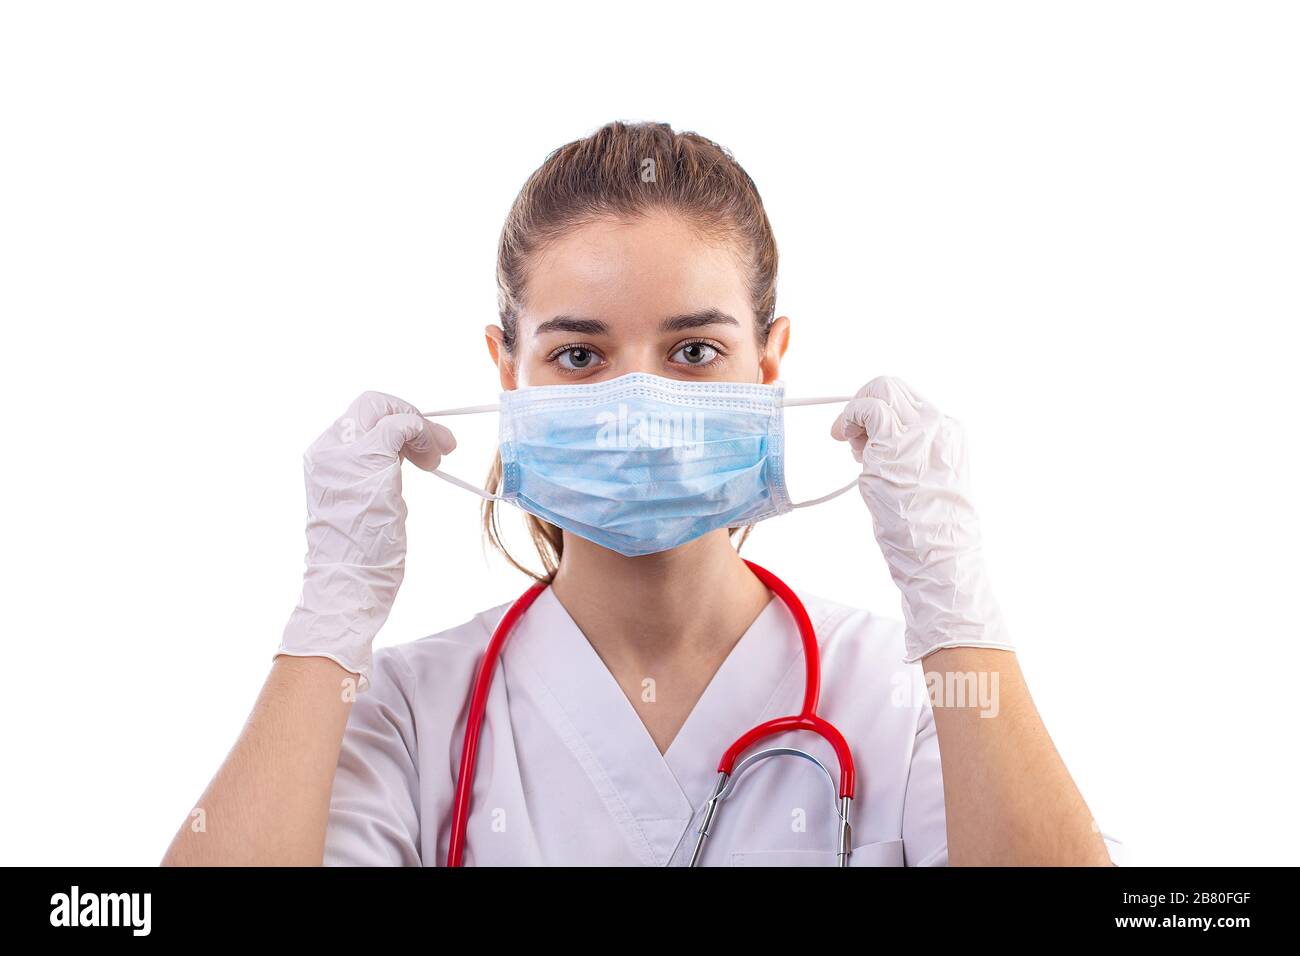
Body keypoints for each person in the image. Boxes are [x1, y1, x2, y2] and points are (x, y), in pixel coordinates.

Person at [162, 121, 1119, 867]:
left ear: (770, 363)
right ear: (507, 372)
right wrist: (328, 623)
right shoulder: (406, 712)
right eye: (579, 356)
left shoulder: (910, 695)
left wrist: (958, 609)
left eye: (694, 351)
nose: (639, 409)